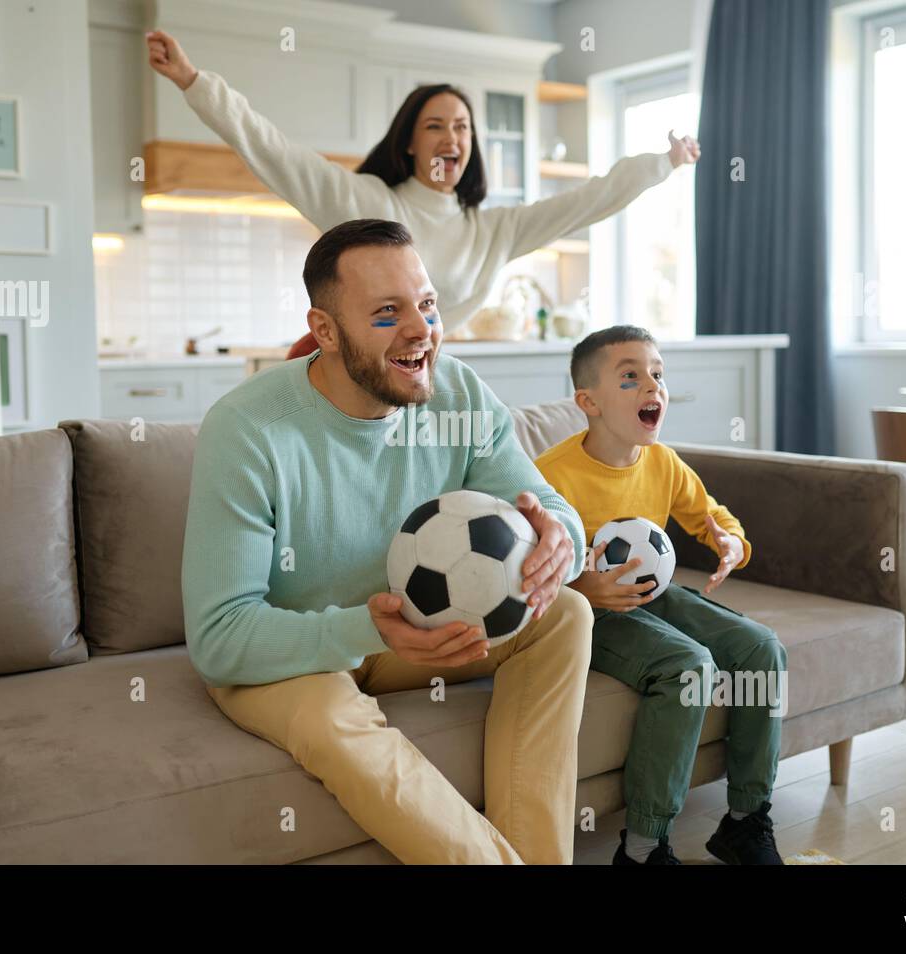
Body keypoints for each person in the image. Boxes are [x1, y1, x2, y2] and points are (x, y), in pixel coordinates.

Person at [181, 218, 594, 864]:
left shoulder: (458, 394)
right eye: (387, 313)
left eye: (427, 305)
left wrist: (558, 545)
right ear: (325, 331)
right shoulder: (247, 430)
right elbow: (220, 638)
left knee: (565, 611)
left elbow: (552, 512)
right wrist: (367, 631)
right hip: (290, 653)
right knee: (329, 718)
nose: (421, 331)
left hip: (412, 629)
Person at [147, 29, 700, 343]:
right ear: (409, 143)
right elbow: (272, 150)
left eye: (461, 127)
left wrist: (662, 163)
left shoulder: (494, 231)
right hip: (343, 376)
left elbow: (589, 201)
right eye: (434, 126)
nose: (449, 137)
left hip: (422, 381)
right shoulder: (368, 204)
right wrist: (195, 83)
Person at [534, 325, 789, 866]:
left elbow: (710, 515)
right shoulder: (549, 477)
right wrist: (584, 586)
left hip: (657, 594)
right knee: (688, 666)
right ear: (589, 402)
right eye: (630, 377)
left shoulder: (663, 462)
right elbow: (525, 572)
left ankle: (745, 821)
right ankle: (645, 848)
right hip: (585, 612)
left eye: (657, 374)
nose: (652, 385)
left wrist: (729, 541)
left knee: (761, 648)